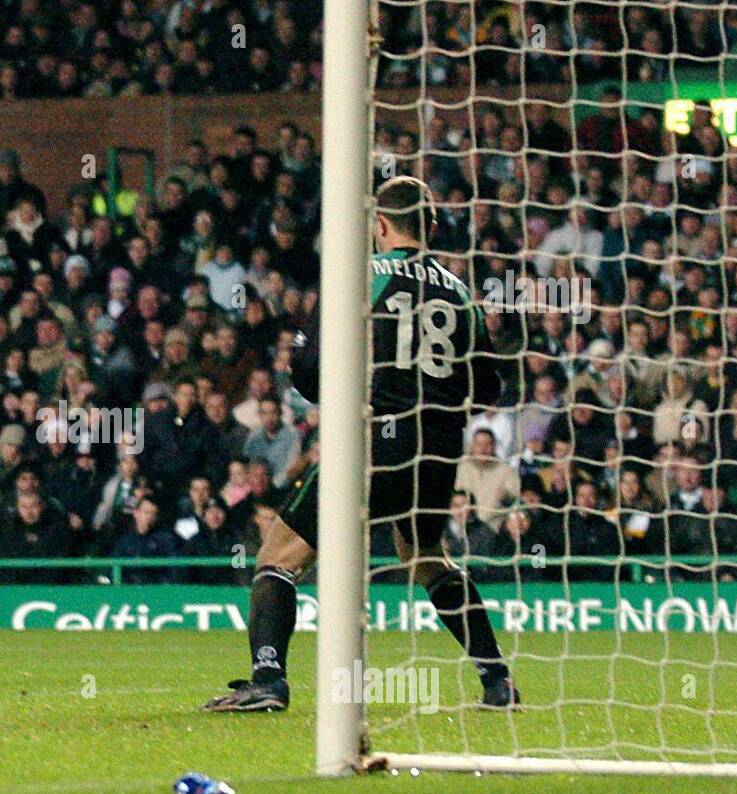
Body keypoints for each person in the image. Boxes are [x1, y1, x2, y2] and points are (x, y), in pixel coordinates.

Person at [204, 177, 519, 712]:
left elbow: (305, 367)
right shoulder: (461, 292)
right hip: (439, 453)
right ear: (433, 228)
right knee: (425, 558)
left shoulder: (359, 275)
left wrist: (349, 395)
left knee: (278, 556)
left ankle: (269, 681)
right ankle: (497, 681)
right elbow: (490, 387)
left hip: (379, 443)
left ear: (379, 224)